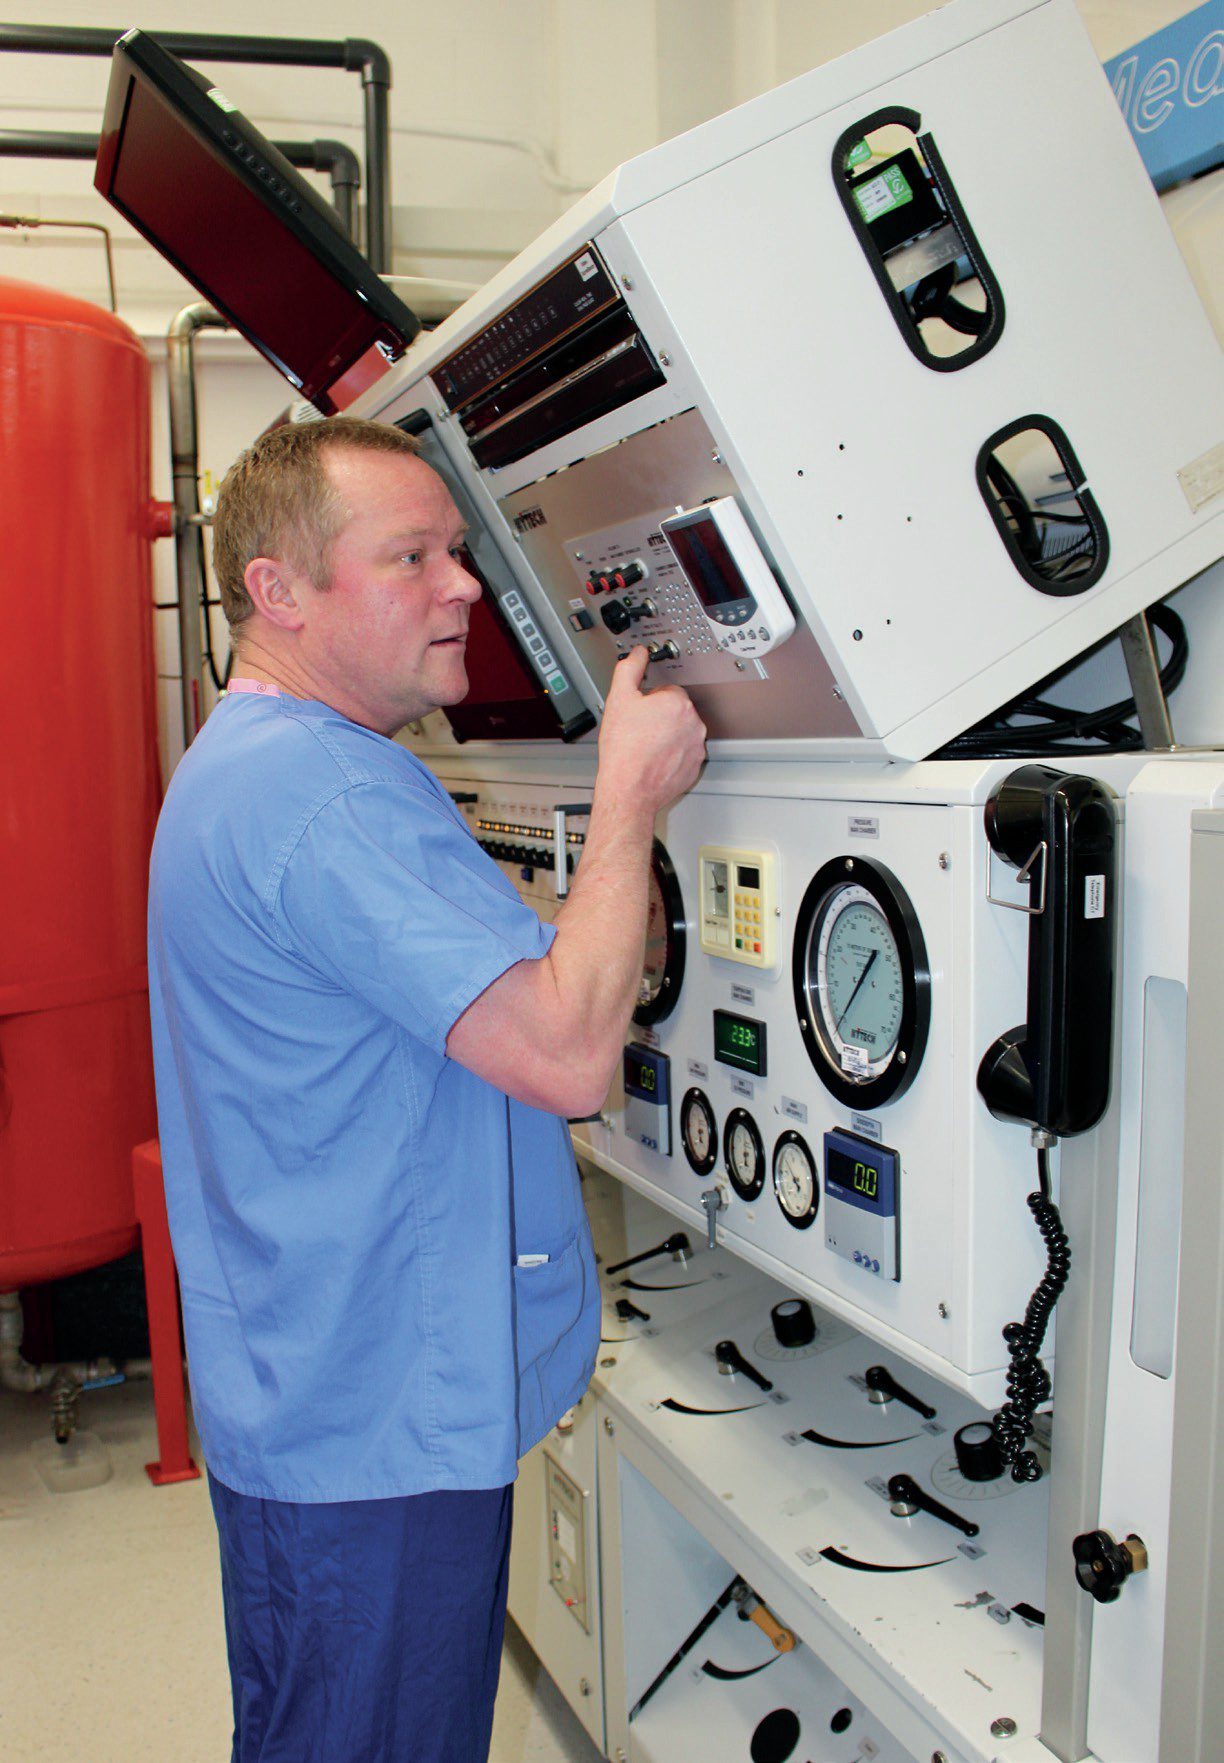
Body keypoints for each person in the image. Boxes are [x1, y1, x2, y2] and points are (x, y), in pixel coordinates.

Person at [147, 415, 707, 1763]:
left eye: (458, 550)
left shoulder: (251, 769)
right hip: (372, 1424)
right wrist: (628, 803)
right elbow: (571, 1054)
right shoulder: (327, 800)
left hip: (325, 1390)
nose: (465, 585)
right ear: (279, 592)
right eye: (412, 556)